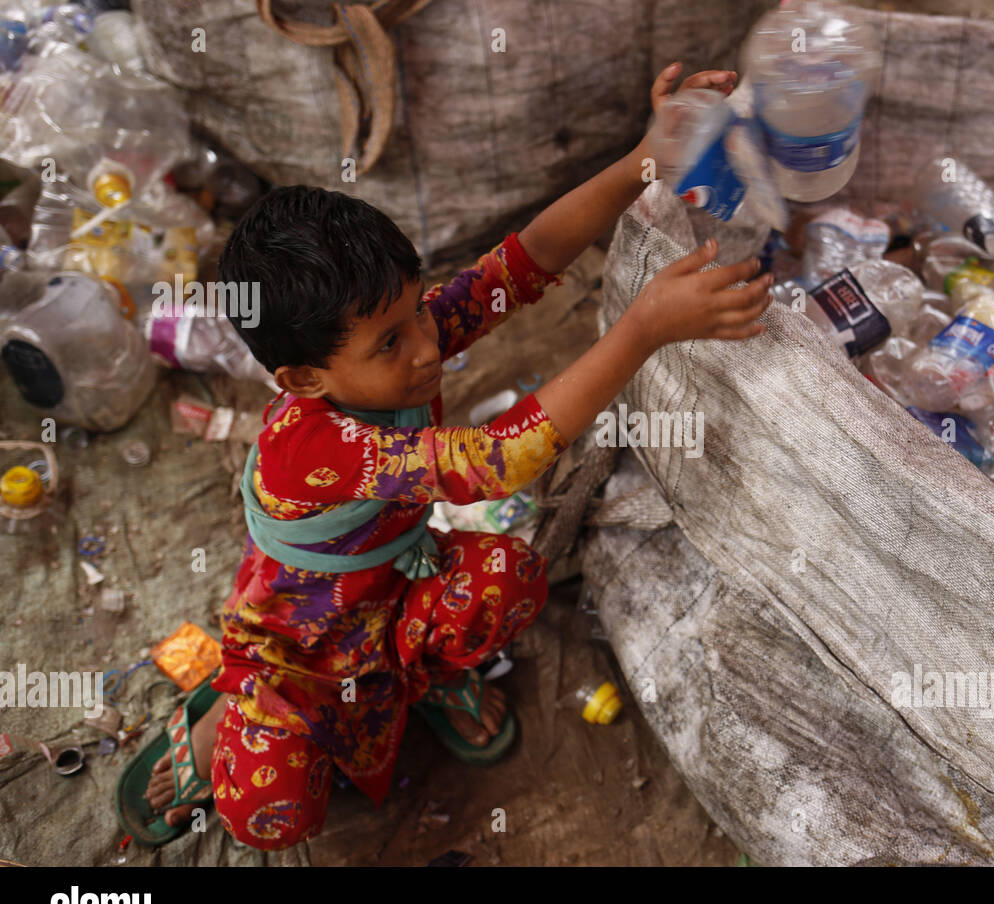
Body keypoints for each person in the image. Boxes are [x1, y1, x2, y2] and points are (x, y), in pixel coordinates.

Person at [136, 63, 774, 850]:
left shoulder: (401, 349)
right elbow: (501, 460)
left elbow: (525, 261)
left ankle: (417, 679)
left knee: (506, 579)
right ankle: (220, 726)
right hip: (299, 654)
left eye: (418, 310)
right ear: (305, 378)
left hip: (388, 603)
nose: (429, 345)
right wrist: (641, 329)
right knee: (269, 817)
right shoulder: (314, 446)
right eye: (392, 340)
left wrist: (647, 159)